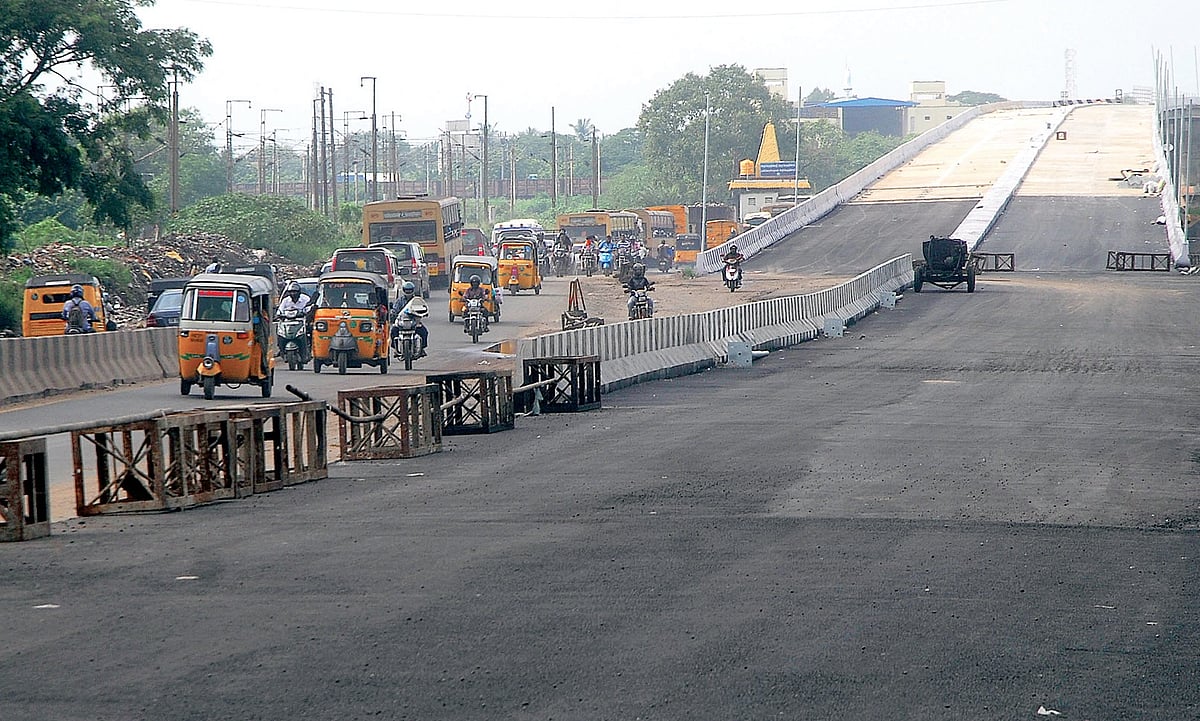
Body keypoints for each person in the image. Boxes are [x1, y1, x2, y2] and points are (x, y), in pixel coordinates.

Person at [388, 281, 428, 355]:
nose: (408, 292)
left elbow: (422, 307)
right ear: (403, 290)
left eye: (410, 290)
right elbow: (395, 309)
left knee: (424, 332)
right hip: (402, 321)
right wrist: (393, 314)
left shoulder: (416, 300)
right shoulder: (399, 301)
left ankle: (422, 349)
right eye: (406, 290)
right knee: (393, 331)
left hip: (414, 321)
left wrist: (424, 313)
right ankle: (395, 350)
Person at [276, 282, 313, 354]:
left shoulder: (305, 299)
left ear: (299, 292)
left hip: (302, 321)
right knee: (279, 331)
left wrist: (306, 312)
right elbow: (280, 310)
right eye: (291, 292)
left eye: (295, 292)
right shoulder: (285, 300)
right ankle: (281, 349)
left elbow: (309, 308)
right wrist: (278, 315)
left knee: (310, 329)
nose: (293, 294)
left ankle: (309, 349)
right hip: (288, 322)